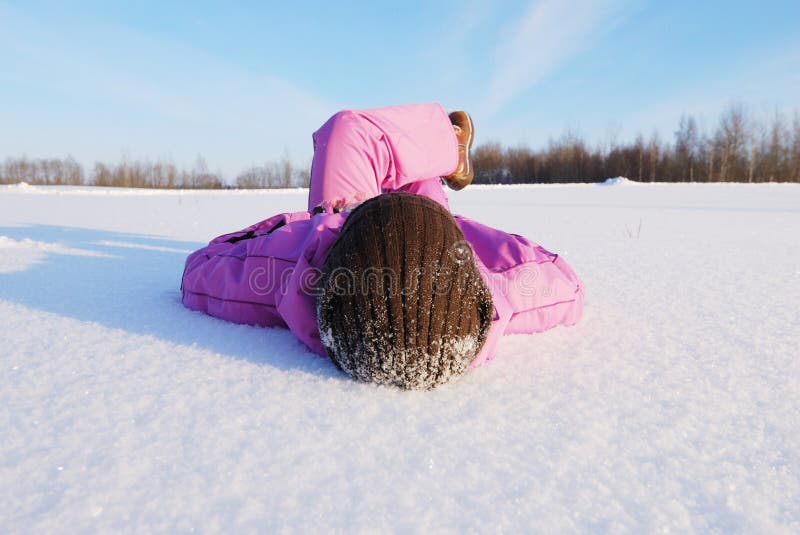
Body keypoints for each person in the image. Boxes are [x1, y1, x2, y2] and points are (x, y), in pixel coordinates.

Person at [181, 103, 584, 389]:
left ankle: (444, 146)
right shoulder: (499, 286)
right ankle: (445, 157)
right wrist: (471, 239)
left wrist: (303, 226)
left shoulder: (292, 270)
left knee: (349, 129)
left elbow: (201, 268)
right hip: (429, 236)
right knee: (417, 176)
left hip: (370, 226)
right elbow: (568, 283)